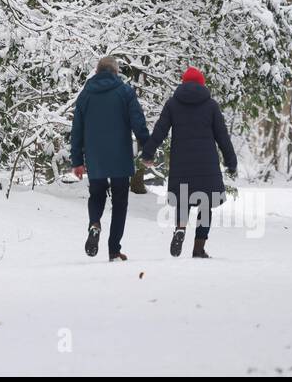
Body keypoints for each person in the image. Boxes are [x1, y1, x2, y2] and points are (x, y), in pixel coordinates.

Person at [143, 66, 237, 258]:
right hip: (206, 163)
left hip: (181, 162)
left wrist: (148, 152)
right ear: (202, 84)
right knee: (205, 204)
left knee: (183, 200)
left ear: (183, 83)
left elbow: (160, 130)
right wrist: (230, 160)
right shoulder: (211, 105)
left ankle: (180, 228)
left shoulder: (172, 104)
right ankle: (198, 248)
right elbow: (222, 136)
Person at [70, 56, 150, 261]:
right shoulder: (125, 92)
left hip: (95, 155)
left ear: (97, 72)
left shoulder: (86, 94)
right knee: (120, 202)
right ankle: (114, 250)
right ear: (116, 72)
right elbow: (138, 121)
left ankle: (94, 223)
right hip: (120, 155)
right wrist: (147, 148)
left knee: (96, 195)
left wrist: (77, 161)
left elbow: (77, 129)